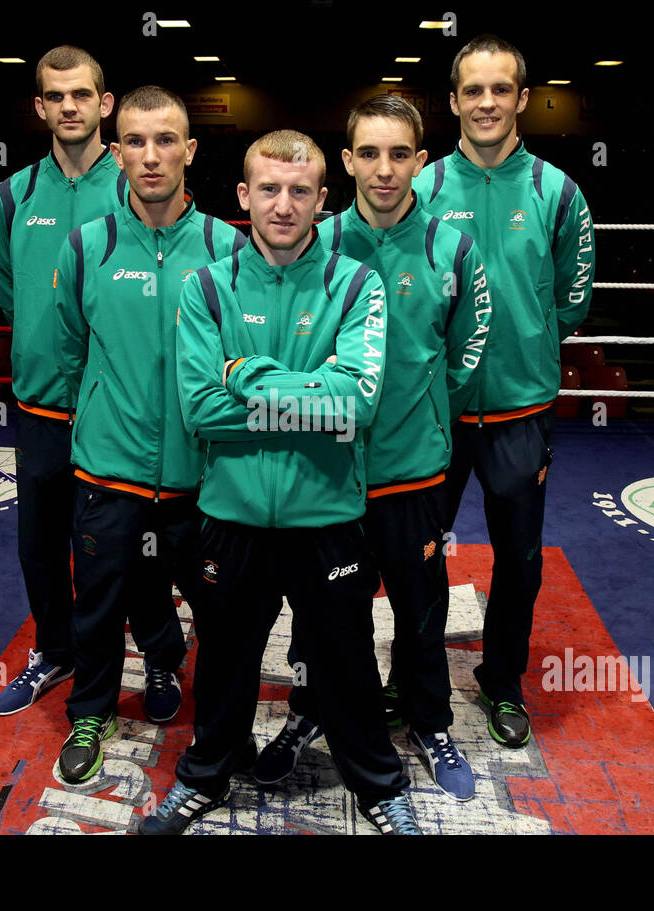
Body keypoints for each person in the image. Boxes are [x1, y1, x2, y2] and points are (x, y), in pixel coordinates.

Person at [140, 130, 420, 835]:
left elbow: (353, 406)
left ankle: (380, 788)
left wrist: (248, 376)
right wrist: (307, 397)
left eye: (300, 191)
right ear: (243, 196)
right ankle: (206, 775)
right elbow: (202, 410)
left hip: (325, 518)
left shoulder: (358, 283)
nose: (284, 204)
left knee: (348, 665)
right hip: (231, 516)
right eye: (269, 189)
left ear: (323, 200)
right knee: (225, 662)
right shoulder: (207, 287)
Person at [253, 95, 492, 803]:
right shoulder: (319, 243)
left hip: (413, 471)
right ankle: (310, 712)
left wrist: (420, 415)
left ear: (422, 161)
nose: (384, 170)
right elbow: (291, 346)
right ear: (349, 159)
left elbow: (467, 346)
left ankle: (428, 719)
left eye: (400, 154)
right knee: (322, 611)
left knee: (422, 604)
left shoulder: (452, 246)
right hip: (330, 470)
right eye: (369, 154)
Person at [52, 86, 244, 783]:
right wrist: (107, 418)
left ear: (190, 150)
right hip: (110, 469)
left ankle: (191, 692)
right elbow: (73, 351)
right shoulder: (88, 245)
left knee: (219, 607)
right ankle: (91, 713)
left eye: (166, 140)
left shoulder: (229, 246)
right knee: (99, 602)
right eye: (135, 141)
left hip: (203, 476)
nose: (151, 155)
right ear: (116, 152)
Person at [411, 35, 595, 747]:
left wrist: (526, 345)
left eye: (500, 89)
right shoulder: (422, 188)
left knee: (520, 559)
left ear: (521, 98)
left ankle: (503, 678)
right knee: (416, 553)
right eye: (472, 90)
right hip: (435, 412)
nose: (486, 102)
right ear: (454, 100)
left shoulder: (559, 193)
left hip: (521, 412)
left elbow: (572, 300)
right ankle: (415, 678)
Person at [0, 45, 127, 716]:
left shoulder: (135, 187)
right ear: (40, 107)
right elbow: (13, 298)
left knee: (120, 544)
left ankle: (141, 655)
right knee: (39, 543)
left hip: (116, 407)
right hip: (41, 405)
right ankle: (54, 649)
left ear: (105, 104)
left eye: (82, 95)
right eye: (55, 96)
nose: (69, 106)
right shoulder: (12, 195)